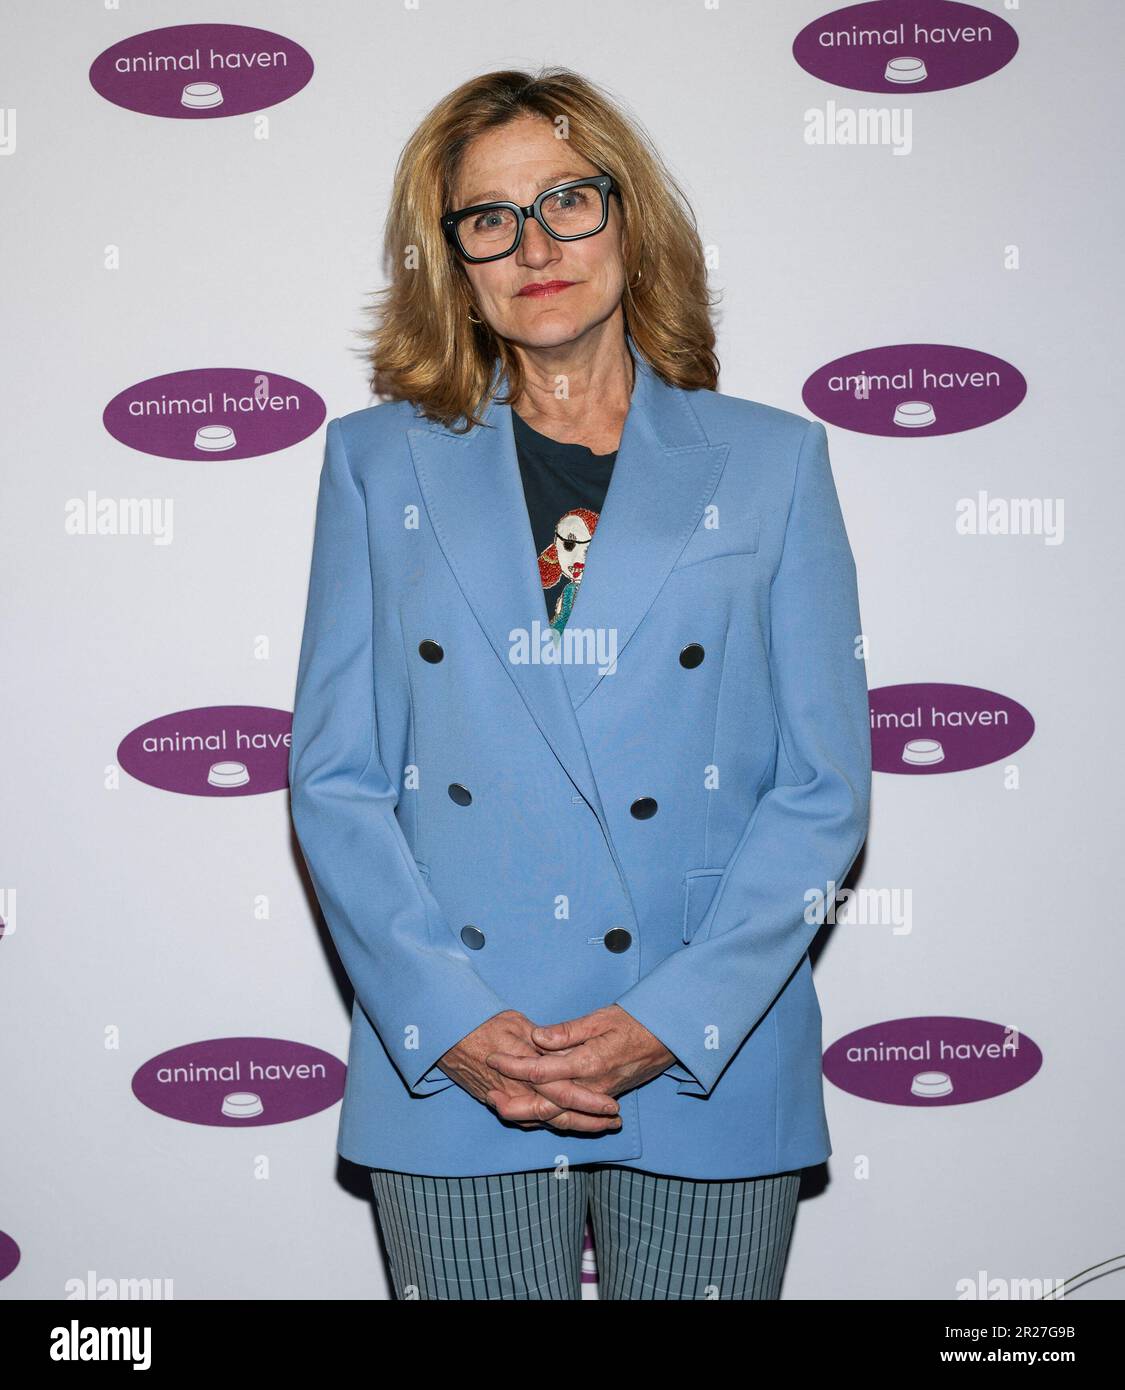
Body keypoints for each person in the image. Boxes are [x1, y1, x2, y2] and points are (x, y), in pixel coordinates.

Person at [288, 67, 871, 1301]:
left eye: (568, 200)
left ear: (629, 216)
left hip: (713, 1045)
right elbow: (337, 778)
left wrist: (674, 1015)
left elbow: (822, 791)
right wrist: (447, 1018)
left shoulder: (774, 465)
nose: (535, 245)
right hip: (457, 1060)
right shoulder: (371, 463)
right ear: (453, 259)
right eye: (488, 218)